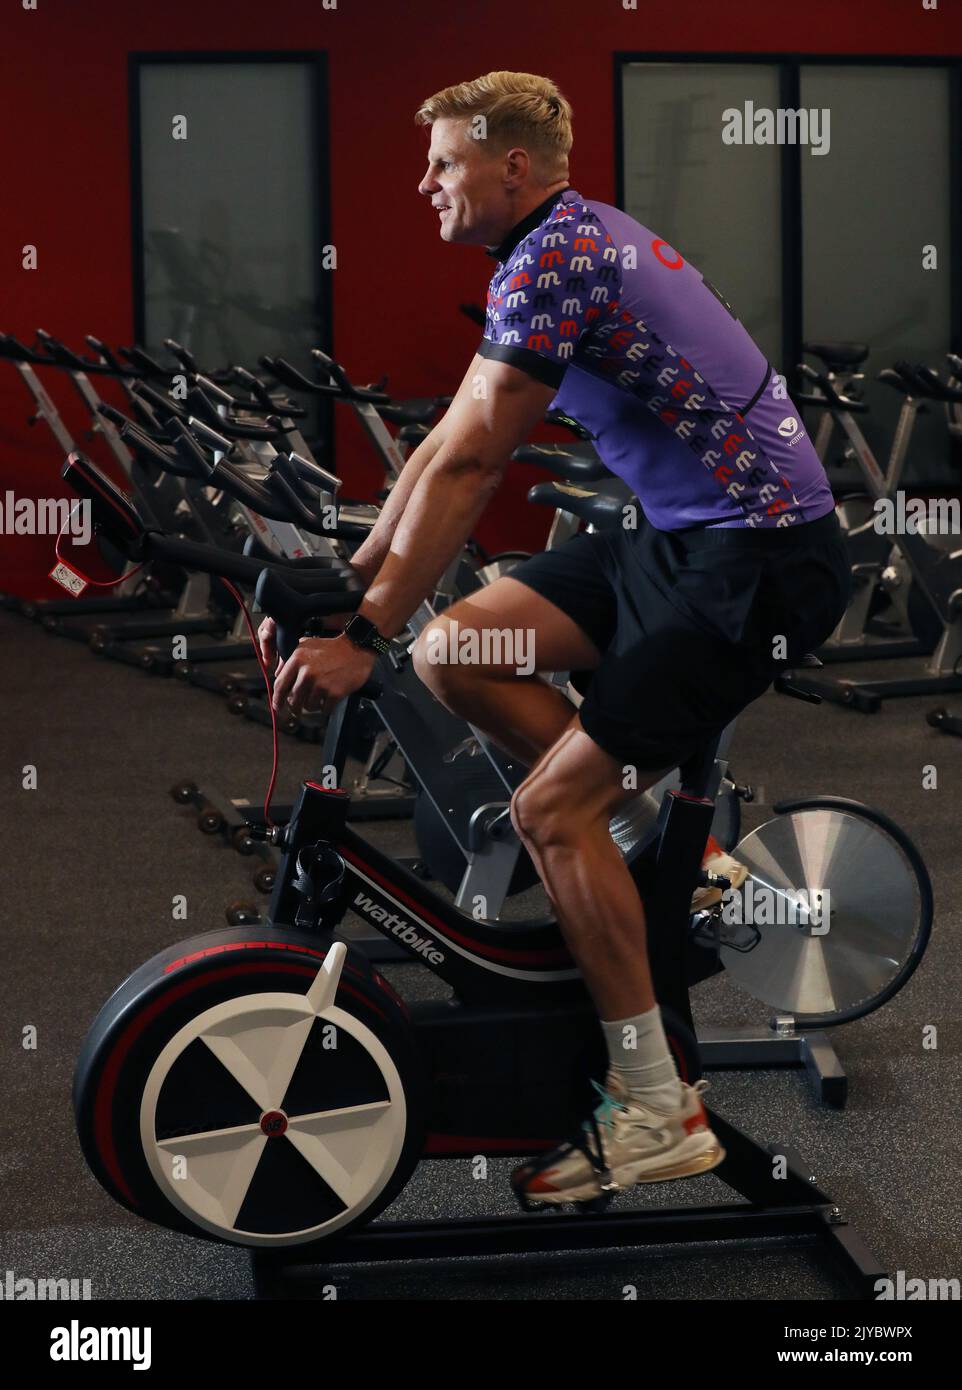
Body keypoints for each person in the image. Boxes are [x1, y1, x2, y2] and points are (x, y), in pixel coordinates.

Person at [261, 71, 851, 1205]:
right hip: (671, 541)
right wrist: (354, 585)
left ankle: (652, 1109)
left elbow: (479, 469)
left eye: (442, 162)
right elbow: (447, 442)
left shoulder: (561, 258)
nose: (424, 181)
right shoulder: (546, 249)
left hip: (760, 563)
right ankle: (678, 860)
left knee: (544, 809)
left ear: (510, 166)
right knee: (457, 651)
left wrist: (362, 636)